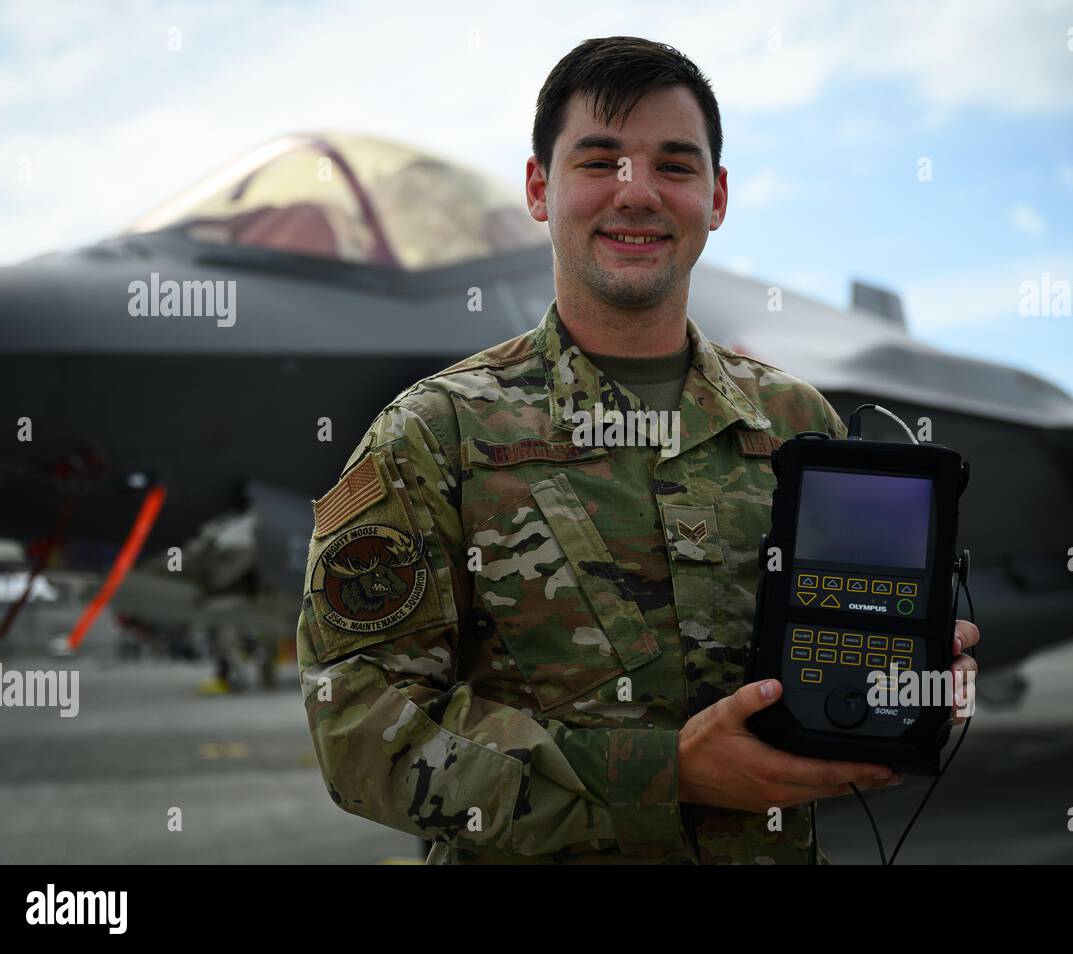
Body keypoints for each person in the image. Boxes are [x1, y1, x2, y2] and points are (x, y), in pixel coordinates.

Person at [295, 35, 981, 864]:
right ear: (539, 190)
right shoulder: (434, 435)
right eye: (600, 160)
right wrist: (666, 776)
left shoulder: (797, 423)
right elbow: (361, 735)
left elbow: (841, 661)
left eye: (675, 165)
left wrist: (913, 686)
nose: (639, 194)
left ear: (717, 197)